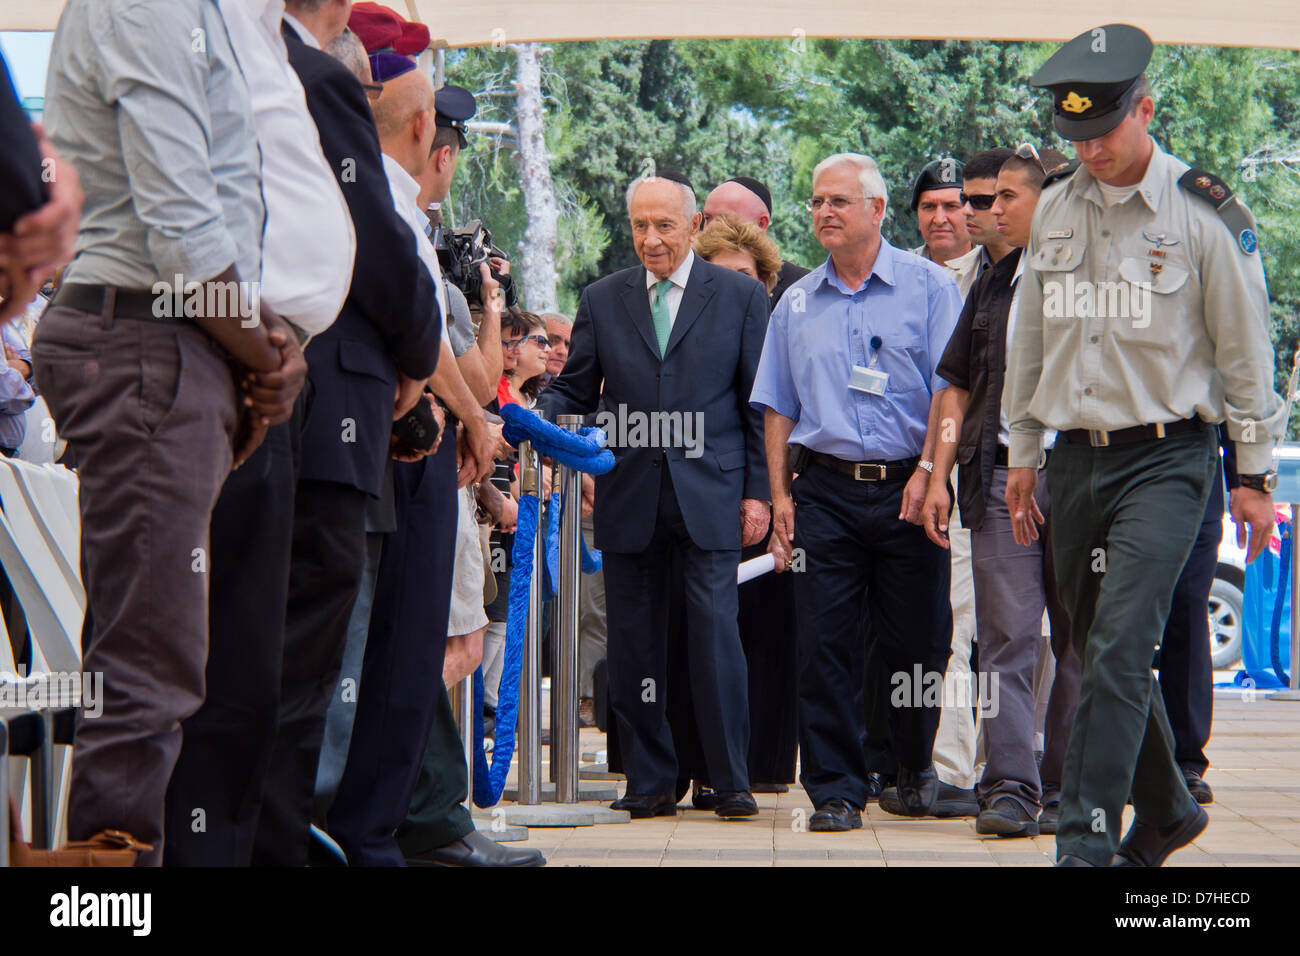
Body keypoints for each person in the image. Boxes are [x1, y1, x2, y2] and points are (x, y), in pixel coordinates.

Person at [1004, 23, 1282, 866]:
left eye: (1103, 132)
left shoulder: (1202, 213)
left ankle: (1083, 845)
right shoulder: (1053, 206)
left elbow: (1245, 350)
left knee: (1123, 646)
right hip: (1076, 459)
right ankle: (1167, 809)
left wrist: (1255, 472)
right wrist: (1022, 449)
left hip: (1170, 457)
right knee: (1093, 646)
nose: (1089, 150)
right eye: (1075, 137)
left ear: (1146, 109)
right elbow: (1030, 338)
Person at [36, 0, 307, 865]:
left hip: (168, 339)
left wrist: (262, 346)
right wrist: (263, 353)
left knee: (155, 658)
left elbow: (196, 229)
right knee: (147, 666)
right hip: (148, 336)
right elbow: (185, 234)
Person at [539, 174, 770, 820]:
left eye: (664, 225)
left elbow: (758, 406)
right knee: (636, 642)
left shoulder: (742, 299)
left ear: (695, 226)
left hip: (714, 493)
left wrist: (760, 494)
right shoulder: (603, 299)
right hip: (629, 493)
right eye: (640, 225)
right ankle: (649, 780)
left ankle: (729, 777)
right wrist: (535, 415)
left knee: (715, 635)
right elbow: (575, 390)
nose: (650, 238)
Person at [752, 152, 961, 831]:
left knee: (918, 642)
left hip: (909, 485)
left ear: (876, 210)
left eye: (839, 201)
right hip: (826, 494)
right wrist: (781, 497)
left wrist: (932, 473)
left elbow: (950, 392)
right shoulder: (798, 300)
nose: (824, 213)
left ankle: (910, 767)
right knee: (824, 644)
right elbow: (778, 406)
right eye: (816, 202)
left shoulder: (929, 288)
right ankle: (836, 788)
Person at [325, 51, 496, 866]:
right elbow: (416, 323)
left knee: (403, 646)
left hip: (405, 437)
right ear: (426, 128)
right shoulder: (374, 200)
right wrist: (471, 414)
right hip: (386, 440)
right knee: (373, 650)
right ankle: (361, 832)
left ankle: (380, 829)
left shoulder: (395, 204)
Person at [922, 145, 1082, 839]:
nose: (982, 213)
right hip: (992, 477)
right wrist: (935, 470)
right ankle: (1009, 787)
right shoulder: (993, 280)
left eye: (999, 200)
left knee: (1078, 640)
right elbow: (956, 382)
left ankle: (1067, 789)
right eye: (981, 201)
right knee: (1005, 638)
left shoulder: (1092, 274)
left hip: (1079, 476)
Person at [702, 177, 808, 308]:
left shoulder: (802, 288)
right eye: (707, 218)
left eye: (725, 220)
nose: (712, 229)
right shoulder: (691, 280)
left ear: (761, 223)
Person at [910, 159, 983, 296]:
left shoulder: (991, 270)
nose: (939, 219)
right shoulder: (900, 271)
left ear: (971, 212)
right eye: (929, 207)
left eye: (951, 206)